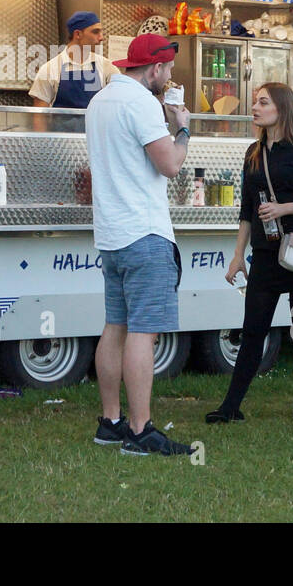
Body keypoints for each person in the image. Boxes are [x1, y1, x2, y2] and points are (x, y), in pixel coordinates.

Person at [86, 33, 192, 456]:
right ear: (154, 69)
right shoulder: (143, 103)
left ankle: (110, 422)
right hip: (145, 233)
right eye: (166, 70)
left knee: (115, 326)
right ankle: (140, 429)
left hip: (111, 235)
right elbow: (169, 164)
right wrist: (182, 129)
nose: (167, 78)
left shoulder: (100, 101)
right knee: (142, 334)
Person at [207, 83, 293, 425]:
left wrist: (283, 208)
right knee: (253, 329)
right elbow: (247, 209)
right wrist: (237, 255)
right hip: (264, 253)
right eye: (256, 102)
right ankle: (231, 405)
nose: (255, 107)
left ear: (282, 108)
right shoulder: (254, 152)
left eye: (263, 102)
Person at [29, 10, 117, 109]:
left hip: (96, 125)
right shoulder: (50, 69)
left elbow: (120, 101)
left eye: (101, 32)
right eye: (95, 32)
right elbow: (39, 116)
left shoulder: (107, 67)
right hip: (60, 125)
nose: (101, 37)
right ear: (78, 34)